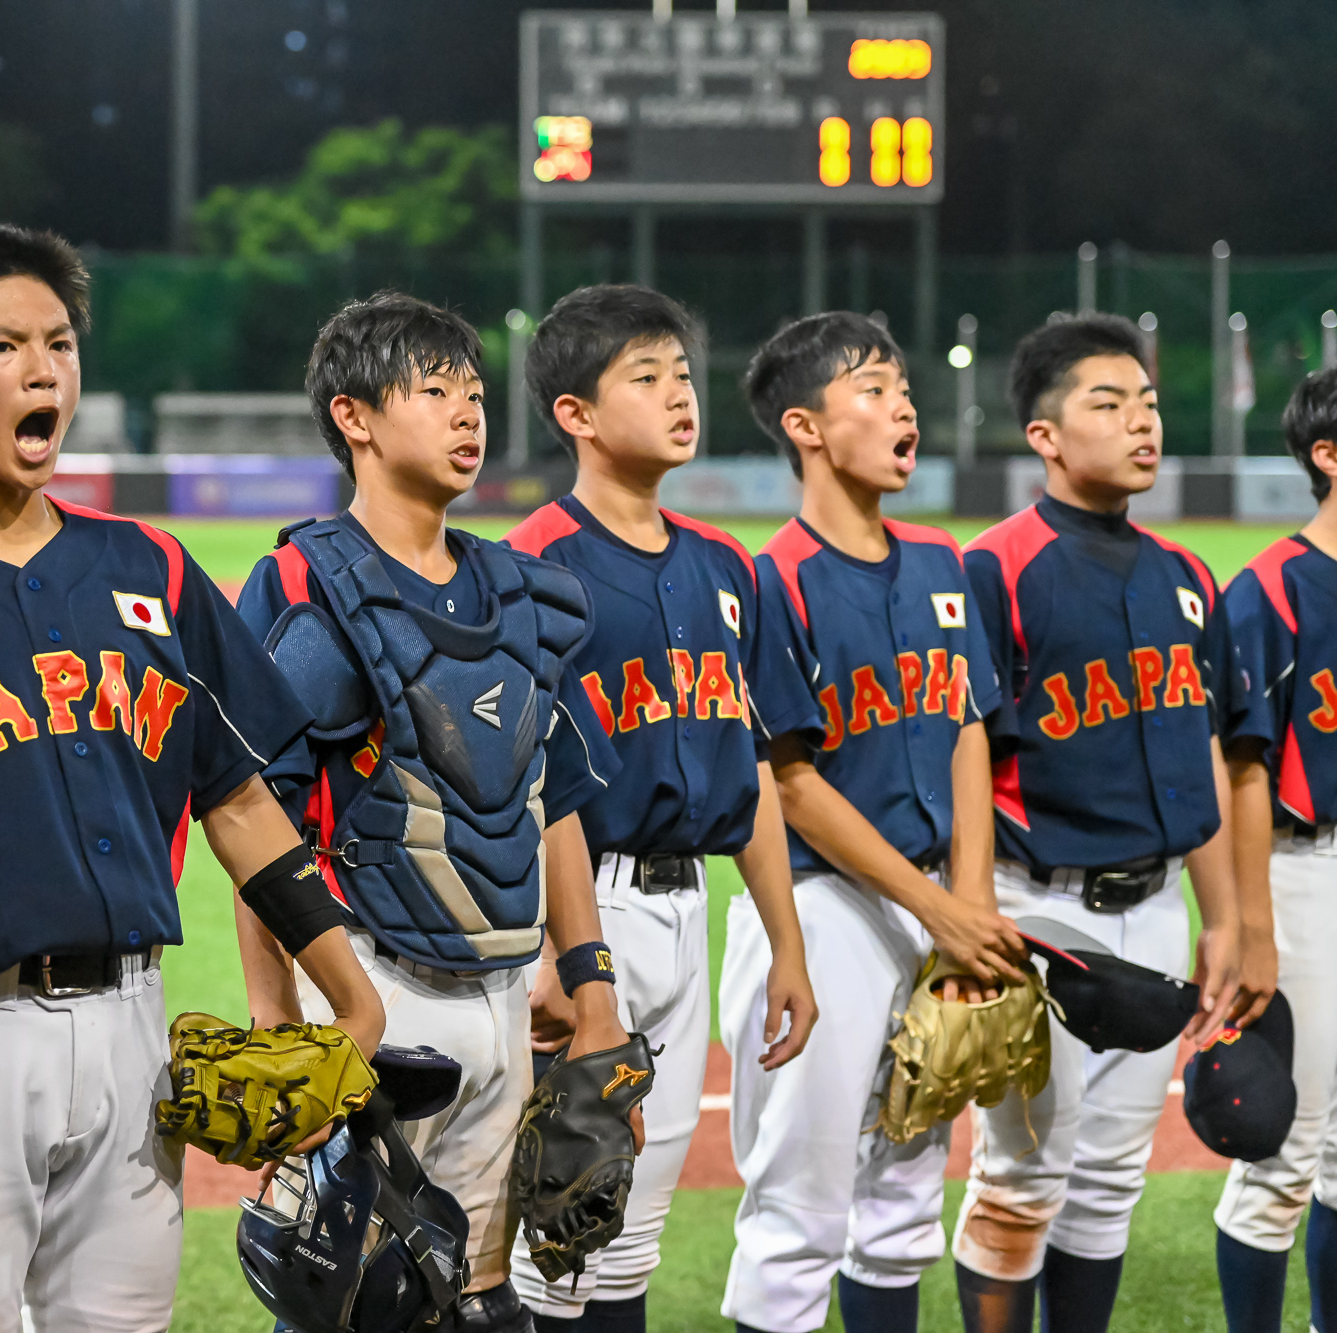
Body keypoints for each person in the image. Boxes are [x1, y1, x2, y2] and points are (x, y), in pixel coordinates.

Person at [0, 223, 384, 1333]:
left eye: (57, 342)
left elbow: (238, 797)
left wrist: (348, 984)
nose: (44, 368)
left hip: (132, 1032)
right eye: (1, 346)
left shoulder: (147, 567)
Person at [235, 290, 628, 1332]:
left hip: (508, 995)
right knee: (346, 1299)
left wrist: (588, 983)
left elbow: (558, 801)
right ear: (353, 418)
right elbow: (252, 812)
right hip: (369, 986)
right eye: (431, 390)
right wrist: (278, 1021)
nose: (467, 413)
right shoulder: (308, 583)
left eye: (472, 391)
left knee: (478, 1302)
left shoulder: (524, 597)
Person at [501, 284, 817, 1332]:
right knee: (564, 1223)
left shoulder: (725, 566)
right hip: (584, 910)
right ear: (574, 415)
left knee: (629, 1234)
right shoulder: (531, 561)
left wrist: (785, 942)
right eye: (645, 376)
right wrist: (553, 952)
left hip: (687, 913)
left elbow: (756, 769)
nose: (678, 393)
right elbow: (519, 782)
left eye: (680, 372)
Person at [953, 313, 1265, 1332]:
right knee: (1018, 1179)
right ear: (1042, 436)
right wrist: (968, 913)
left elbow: (1206, 762)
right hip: (1037, 915)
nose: (1140, 420)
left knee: (1106, 1179)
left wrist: (1223, 921)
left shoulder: (1185, 577)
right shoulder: (994, 569)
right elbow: (964, 753)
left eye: (1146, 402)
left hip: (1155, 909)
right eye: (1106, 401)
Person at [727, 310, 1026, 1333]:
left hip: (936, 898)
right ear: (804, 427)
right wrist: (937, 908)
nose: (901, 405)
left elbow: (966, 726)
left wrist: (971, 900)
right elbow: (790, 780)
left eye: (902, 388)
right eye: (870, 388)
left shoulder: (941, 562)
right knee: (798, 1215)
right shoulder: (772, 578)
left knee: (900, 1207)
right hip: (824, 910)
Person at [1211, 359, 1337, 1333]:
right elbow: (1239, 770)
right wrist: (1249, 924)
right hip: (1305, 875)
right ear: (1330, 455)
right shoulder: (1270, 590)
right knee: (1277, 1156)